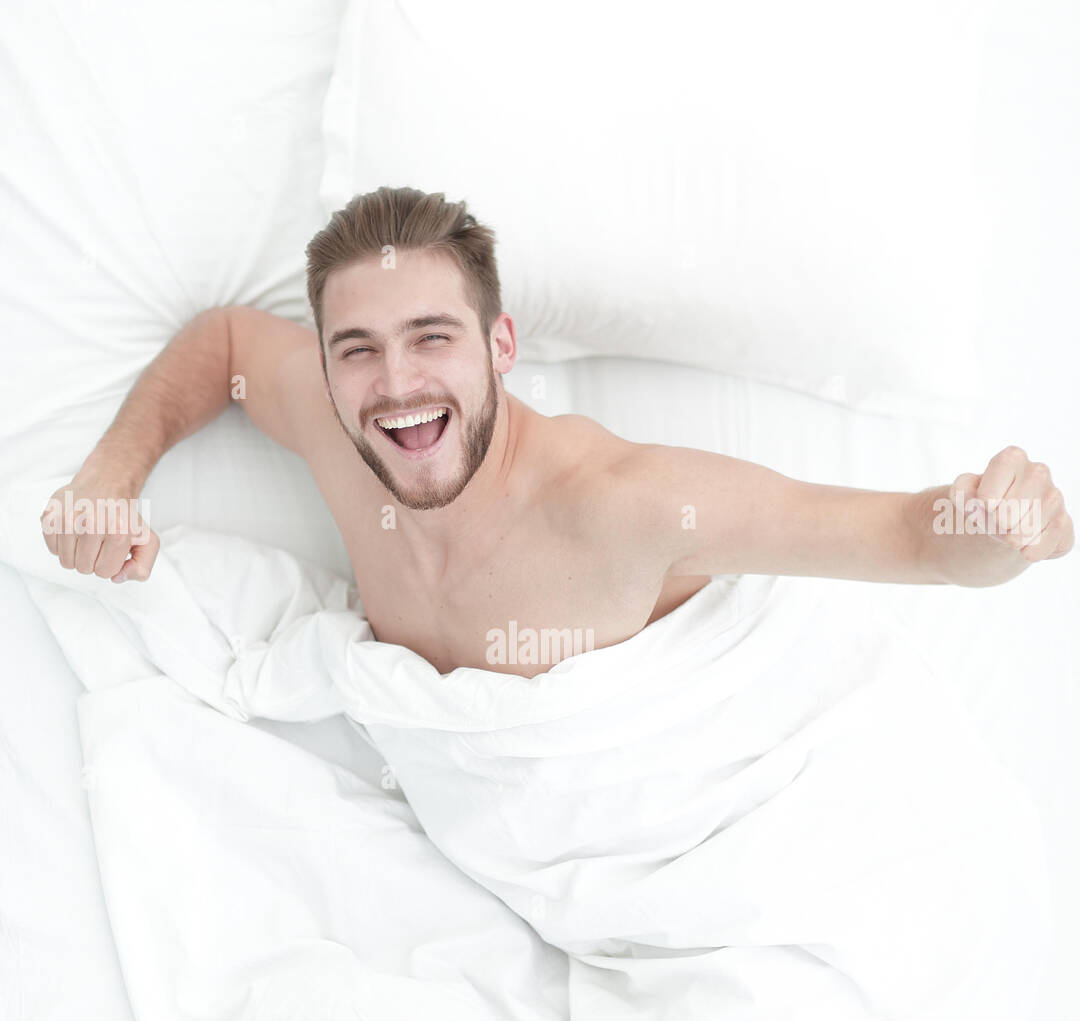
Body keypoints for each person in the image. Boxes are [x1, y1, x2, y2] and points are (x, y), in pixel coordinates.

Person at [40, 186, 1073, 678]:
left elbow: (911, 540)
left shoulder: (622, 504)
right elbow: (218, 341)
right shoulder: (329, 408)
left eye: (431, 338)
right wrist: (108, 477)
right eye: (356, 347)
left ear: (500, 347)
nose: (395, 385)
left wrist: (1008, 526)